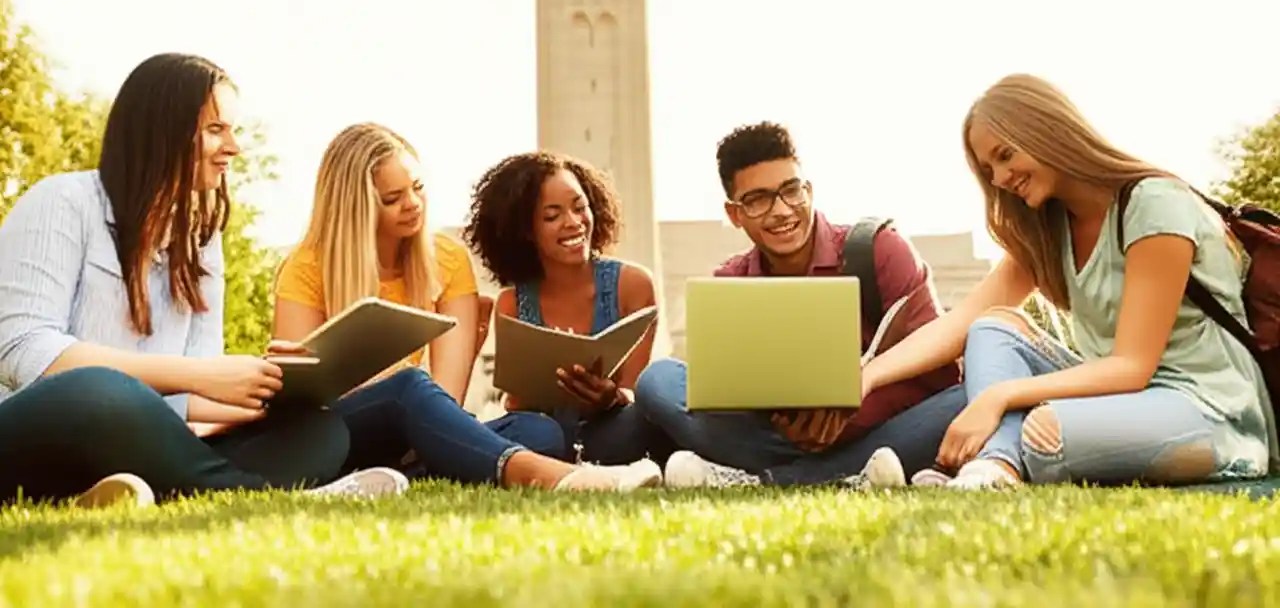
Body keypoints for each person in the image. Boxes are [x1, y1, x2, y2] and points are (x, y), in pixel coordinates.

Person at [0, 53, 406, 509]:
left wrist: (264, 384)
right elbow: (21, 350)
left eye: (232, 130)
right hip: (37, 428)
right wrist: (198, 376)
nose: (233, 147)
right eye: (216, 129)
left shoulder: (201, 243)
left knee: (317, 428)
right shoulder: (62, 201)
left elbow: (187, 400)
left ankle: (109, 495)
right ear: (162, 130)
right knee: (100, 388)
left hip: (136, 443)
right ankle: (281, 499)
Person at [868, 73, 1277, 489]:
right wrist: (865, 377)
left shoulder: (1153, 203)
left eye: (1005, 155)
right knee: (990, 326)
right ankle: (994, 468)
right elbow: (959, 323)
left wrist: (998, 395)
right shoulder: (1048, 233)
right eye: (990, 169)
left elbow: (1132, 367)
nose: (999, 179)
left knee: (1047, 433)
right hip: (1123, 401)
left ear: (1048, 131)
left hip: (1205, 409)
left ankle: (990, 465)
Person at [273, 124, 661, 492]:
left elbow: (446, 398)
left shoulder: (445, 260)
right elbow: (304, 400)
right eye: (392, 199)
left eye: (418, 188)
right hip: (336, 431)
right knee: (406, 387)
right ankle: (556, 478)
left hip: (416, 430)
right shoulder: (306, 268)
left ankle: (399, 473)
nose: (413, 205)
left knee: (539, 433)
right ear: (355, 207)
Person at [633, 121, 967, 488]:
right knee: (657, 380)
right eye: (757, 200)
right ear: (735, 214)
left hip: (882, 429)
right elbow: (726, 391)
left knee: (970, 397)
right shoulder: (731, 283)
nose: (781, 211)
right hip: (774, 437)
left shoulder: (879, 250)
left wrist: (851, 410)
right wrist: (782, 417)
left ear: (808, 190)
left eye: (791, 191)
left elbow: (938, 368)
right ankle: (838, 477)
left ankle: (766, 479)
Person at [461, 151, 674, 466]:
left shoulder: (633, 284)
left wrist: (611, 397)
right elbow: (517, 406)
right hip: (544, 433)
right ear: (525, 230)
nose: (573, 223)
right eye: (552, 216)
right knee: (538, 433)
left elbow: (634, 391)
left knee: (638, 427)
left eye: (580, 207)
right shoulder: (512, 303)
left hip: (613, 427)